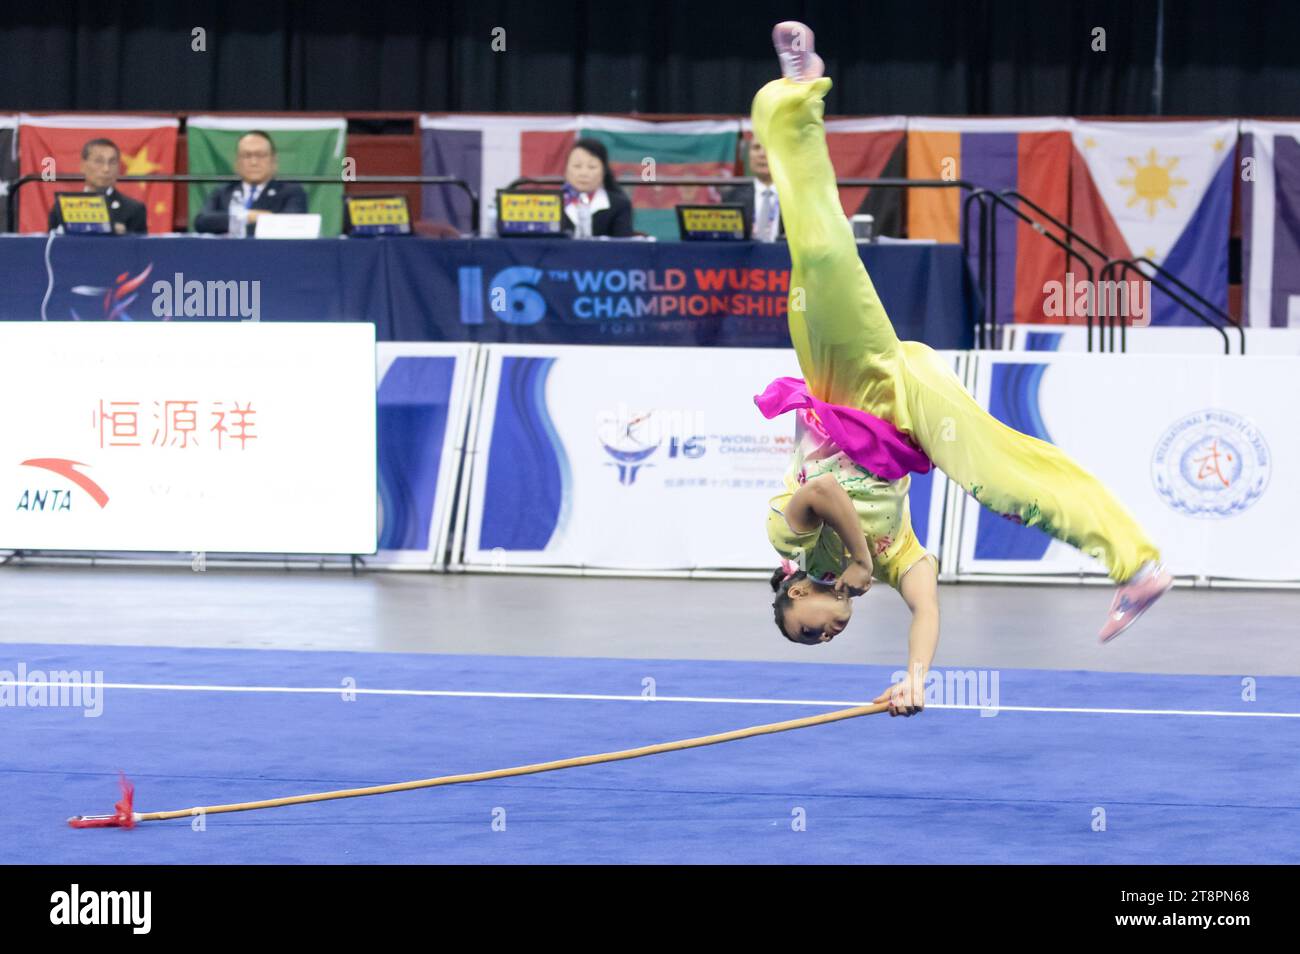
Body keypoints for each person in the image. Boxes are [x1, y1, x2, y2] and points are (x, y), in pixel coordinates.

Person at [755, 22, 1173, 718]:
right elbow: (925, 605)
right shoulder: (888, 564)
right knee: (1002, 476)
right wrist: (916, 677)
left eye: (812, 627)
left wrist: (856, 561)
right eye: (826, 640)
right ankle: (1136, 564)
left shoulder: (787, 535)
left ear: (798, 591)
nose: (828, 631)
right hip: (914, 410)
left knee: (822, 254)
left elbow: (825, 488)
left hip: (848, 380)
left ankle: (799, 94)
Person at [194, 130, 308, 236]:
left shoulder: (291, 192)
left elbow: (290, 226)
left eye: (260, 155)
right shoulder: (224, 191)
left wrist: (232, 224)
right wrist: (249, 216)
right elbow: (202, 221)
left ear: (274, 161)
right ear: (237, 162)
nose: (253, 162)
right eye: (247, 156)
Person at [48, 138, 147, 235]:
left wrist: (124, 236)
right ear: (83, 166)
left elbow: (140, 249)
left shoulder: (134, 209)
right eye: (99, 161)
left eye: (112, 162)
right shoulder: (63, 207)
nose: (106, 169)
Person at [559, 138, 634, 238]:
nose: (583, 173)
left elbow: (623, 246)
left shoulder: (620, 205)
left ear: (604, 171)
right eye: (577, 166)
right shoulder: (551, 203)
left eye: (592, 167)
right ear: (566, 170)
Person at [719, 137, 784, 241]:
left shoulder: (797, 198)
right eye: (756, 148)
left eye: (769, 148)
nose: (762, 154)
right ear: (748, 155)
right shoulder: (732, 197)